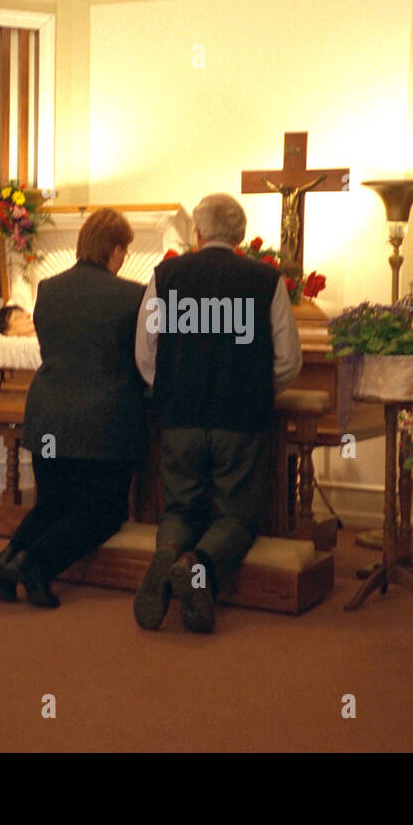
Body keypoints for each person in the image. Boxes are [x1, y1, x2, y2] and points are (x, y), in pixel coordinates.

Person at [133, 193, 302, 632]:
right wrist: (256, 391)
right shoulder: (265, 280)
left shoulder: (165, 275)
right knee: (238, 515)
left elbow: (145, 351)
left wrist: (169, 388)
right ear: (241, 237)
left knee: (179, 508)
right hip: (240, 419)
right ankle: (197, 564)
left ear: (198, 233)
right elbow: (288, 360)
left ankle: (168, 553)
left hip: (181, 417)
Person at [0, 208, 147, 608]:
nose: (123, 259)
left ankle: (5, 564)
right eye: (124, 251)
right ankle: (36, 565)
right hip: (101, 423)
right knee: (105, 512)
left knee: (53, 503)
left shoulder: (50, 289)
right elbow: (144, 360)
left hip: (47, 414)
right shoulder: (132, 296)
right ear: (114, 250)